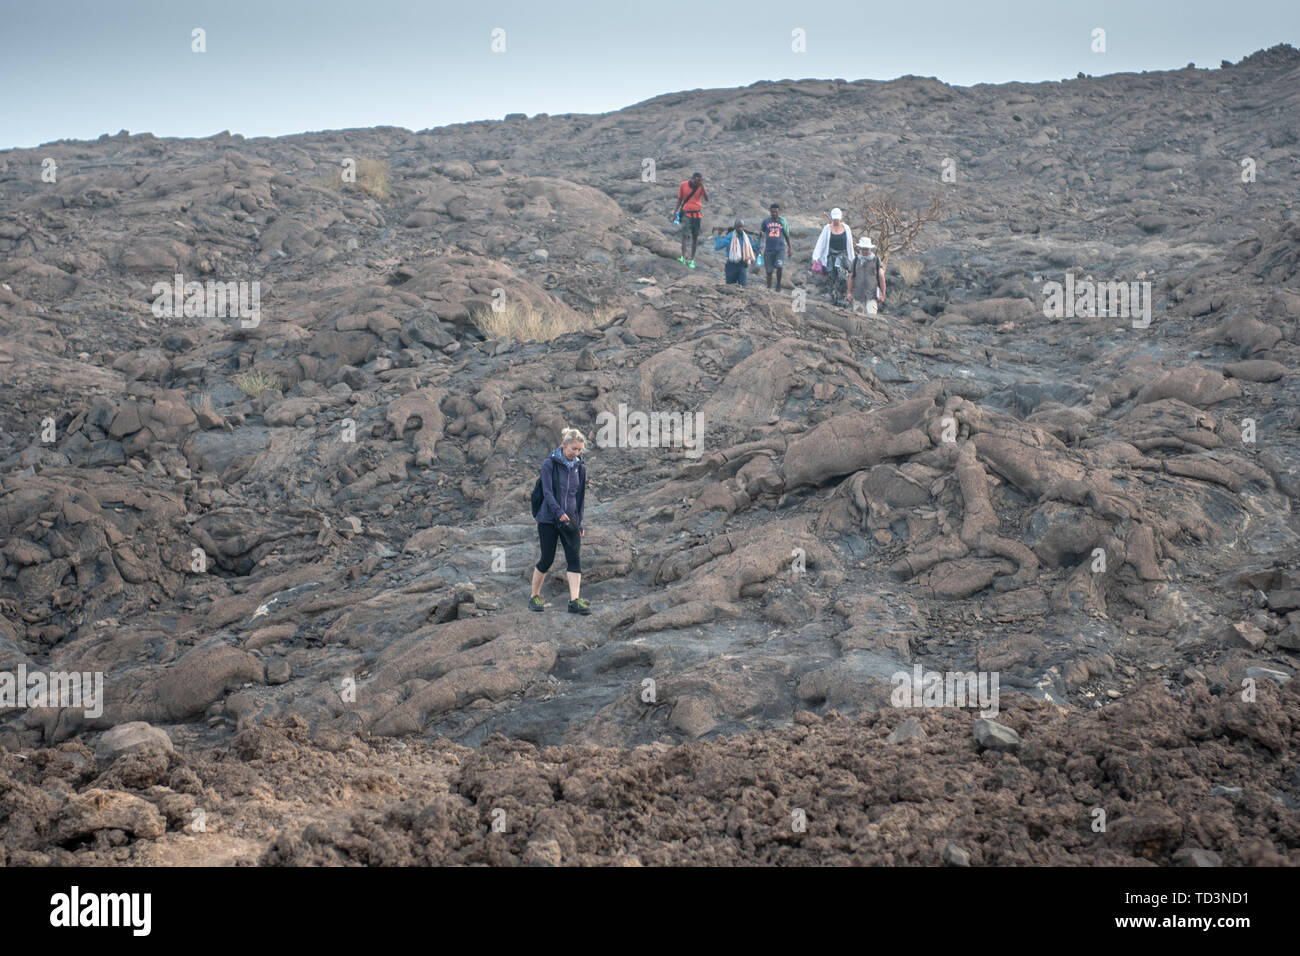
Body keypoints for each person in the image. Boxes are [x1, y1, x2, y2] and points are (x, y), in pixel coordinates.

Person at [530, 428, 590, 614]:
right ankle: (534, 596)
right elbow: (547, 492)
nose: (576, 453)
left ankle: (574, 601)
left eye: (579, 450)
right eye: (573, 448)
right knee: (547, 559)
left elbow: (580, 497)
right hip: (548, 518)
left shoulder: (580, 468)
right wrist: (558, 512)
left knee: (574, 559)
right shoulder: (550, 463)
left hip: (570, 518)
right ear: (564, 445)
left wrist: (578, 522)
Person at [811, 208, 854, 294]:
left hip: (843, 256)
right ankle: (833, 294)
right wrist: (816, 257)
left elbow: (850, 244)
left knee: (842, 275)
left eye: (837, 219)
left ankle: (843, 294)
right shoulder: (827, 229)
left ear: (840, 218)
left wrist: (852, 259)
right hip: (831, 256)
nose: (836, 221)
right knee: (831, 275)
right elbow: (821, 243)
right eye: (834, 219)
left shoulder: (846, 228)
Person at [674, 172, 708, 268]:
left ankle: (692, 260)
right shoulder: (683, 185)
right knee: (685, 235)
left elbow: (707, 199)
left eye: (699, 181)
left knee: (695, 237)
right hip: (686, 213)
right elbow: (680, 199)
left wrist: (701, 185)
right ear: (692, 178)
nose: (696, 183)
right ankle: (683, 257)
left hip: (697, 215)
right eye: (696, 181)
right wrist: (675, 212)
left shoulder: (701, 186)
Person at [759, 203, 794, 291]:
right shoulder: (766, 222)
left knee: (779, 266)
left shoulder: (782, 222)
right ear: (770, 212)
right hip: (768, 249)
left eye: (776, 212)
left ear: (778, 212)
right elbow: (762, 232)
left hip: (780, 250)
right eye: (773, 212)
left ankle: (778, 285)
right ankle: (769, 287)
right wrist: (761, 237)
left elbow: (787, 235)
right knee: (769, 271)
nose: (774, 213)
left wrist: (790, 248)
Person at [848, 236, 886, 314]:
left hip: (871, 296)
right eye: (863, 248)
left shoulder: (876, 260)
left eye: (866, 248)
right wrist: (849, 292)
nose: (864, 251)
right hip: (858, 296)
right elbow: (851, 277)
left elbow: (881, 277)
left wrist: (883, 294)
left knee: (871, 318)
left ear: (870, 249)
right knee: (857, 319)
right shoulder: (855, 261)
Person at [721, 218, 756, 285]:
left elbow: (754, 248)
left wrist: (759, 239)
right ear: (735, 227)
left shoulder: (747, 238)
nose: (740, 229)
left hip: (742, 264)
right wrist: (719, 235)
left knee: (743, 286)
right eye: (738, 227)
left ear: (743, 227)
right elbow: (718, 247)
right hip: (731, 265)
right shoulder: (729, 237)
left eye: (741, 227)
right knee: (730, 286)